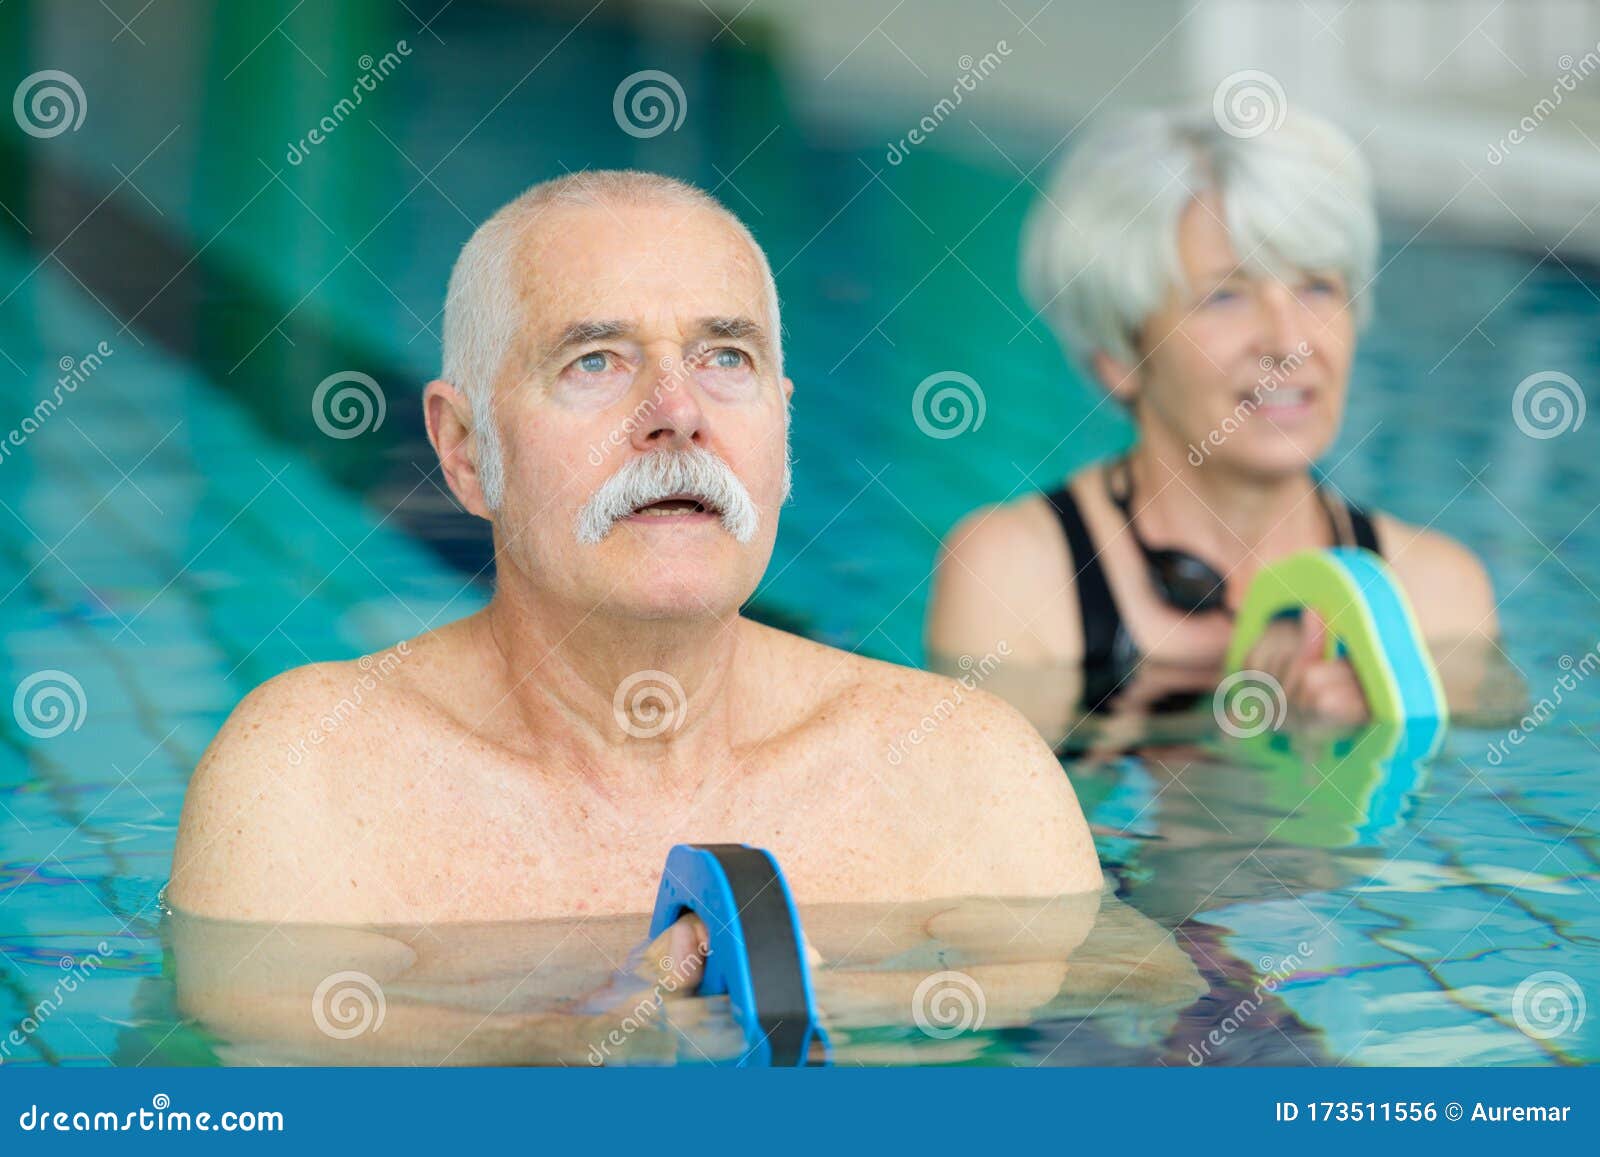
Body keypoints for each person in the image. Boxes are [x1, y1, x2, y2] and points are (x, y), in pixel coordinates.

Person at [167, 170, 1101, 927]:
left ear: (782, 432)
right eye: (596, 360)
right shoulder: (310, 783)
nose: (678, 414)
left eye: (724, 357)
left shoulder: (966, 775)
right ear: (463, 452)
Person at [927, 107, 1498, 731]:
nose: (1289, 341)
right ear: (1119, 355)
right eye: (1224, 296)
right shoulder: (1016, 580)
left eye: (1316, 289)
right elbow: (1003, 820)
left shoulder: (1439, 594)